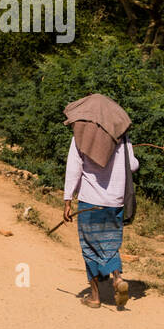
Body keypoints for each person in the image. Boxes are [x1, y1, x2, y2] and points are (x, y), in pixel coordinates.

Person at [61, 93, 138, 310]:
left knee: (89, 247)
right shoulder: (121, 135)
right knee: (111, 244)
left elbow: (73, 169)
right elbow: (132, 165)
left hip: (89, 202)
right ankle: (117, 279)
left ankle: (95, 297)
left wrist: (68, 200)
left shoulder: (80, 134)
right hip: (115, 201)